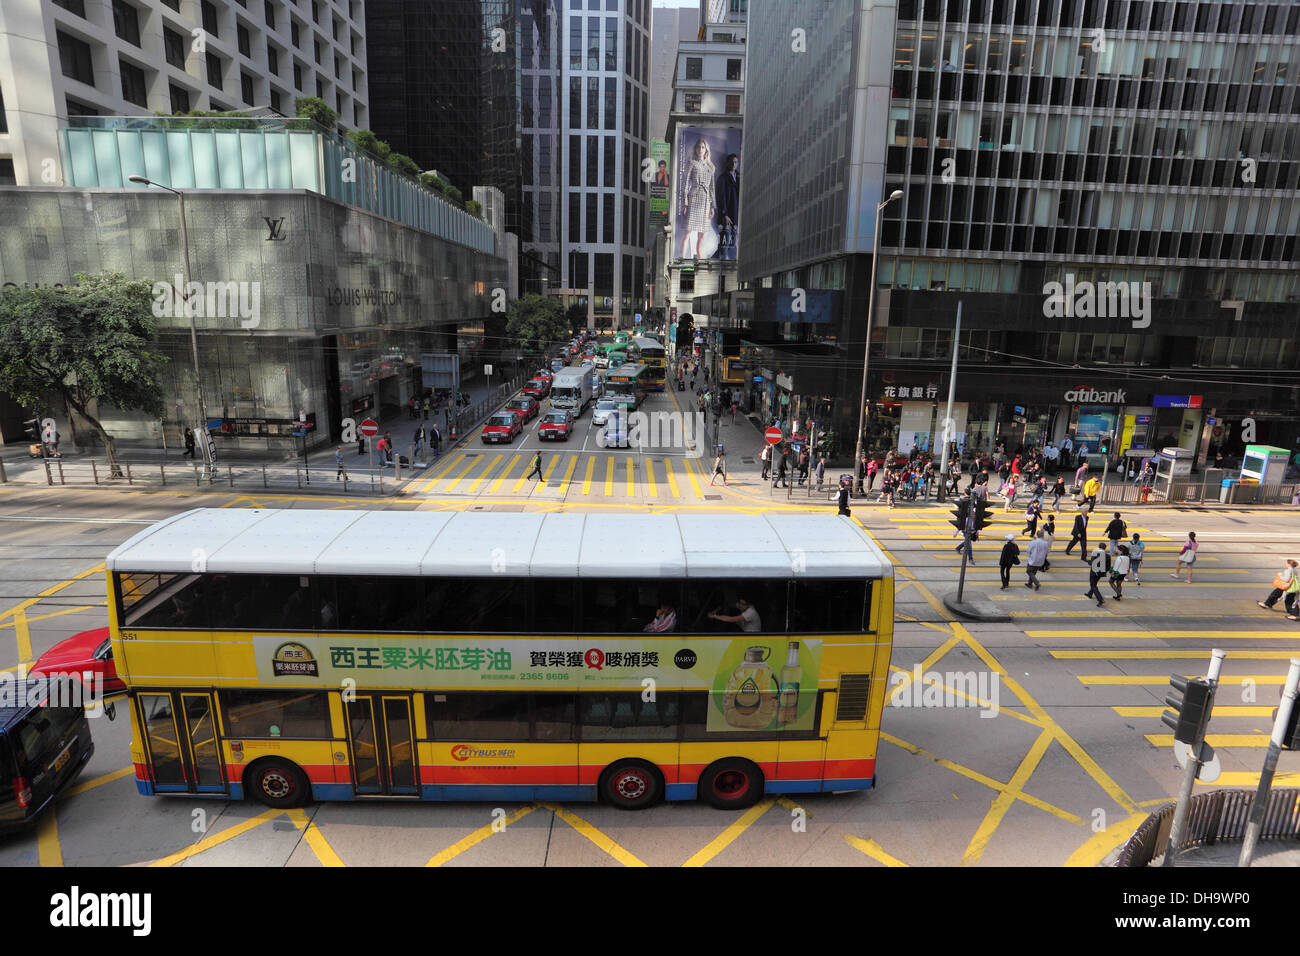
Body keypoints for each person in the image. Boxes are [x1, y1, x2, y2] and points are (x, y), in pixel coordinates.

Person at [681, 137, 716, 258]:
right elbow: (685, 183)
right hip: (694, 199)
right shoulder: (691, 163)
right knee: (688, 232)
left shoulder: (710, 167)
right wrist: (685, 203)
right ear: (695, 149)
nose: (700, 149)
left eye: (702, 147)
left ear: (706, 150)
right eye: (698, 147)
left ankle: (700, 262)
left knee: (702, 235)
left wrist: (713, 206)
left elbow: (712, 188)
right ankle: (682, 258)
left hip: (706, 202)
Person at [715, 153, 740, 260]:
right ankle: (722, 260)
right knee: (725, 242)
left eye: (736, 162)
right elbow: (721, 197)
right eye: (732, 162)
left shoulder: (739, 177)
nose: (734, 164)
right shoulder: (723, 178)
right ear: (727, 163)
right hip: (727, 216)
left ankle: (724, 260)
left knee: (733, 243)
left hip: (736, 215)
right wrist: (724, 214)